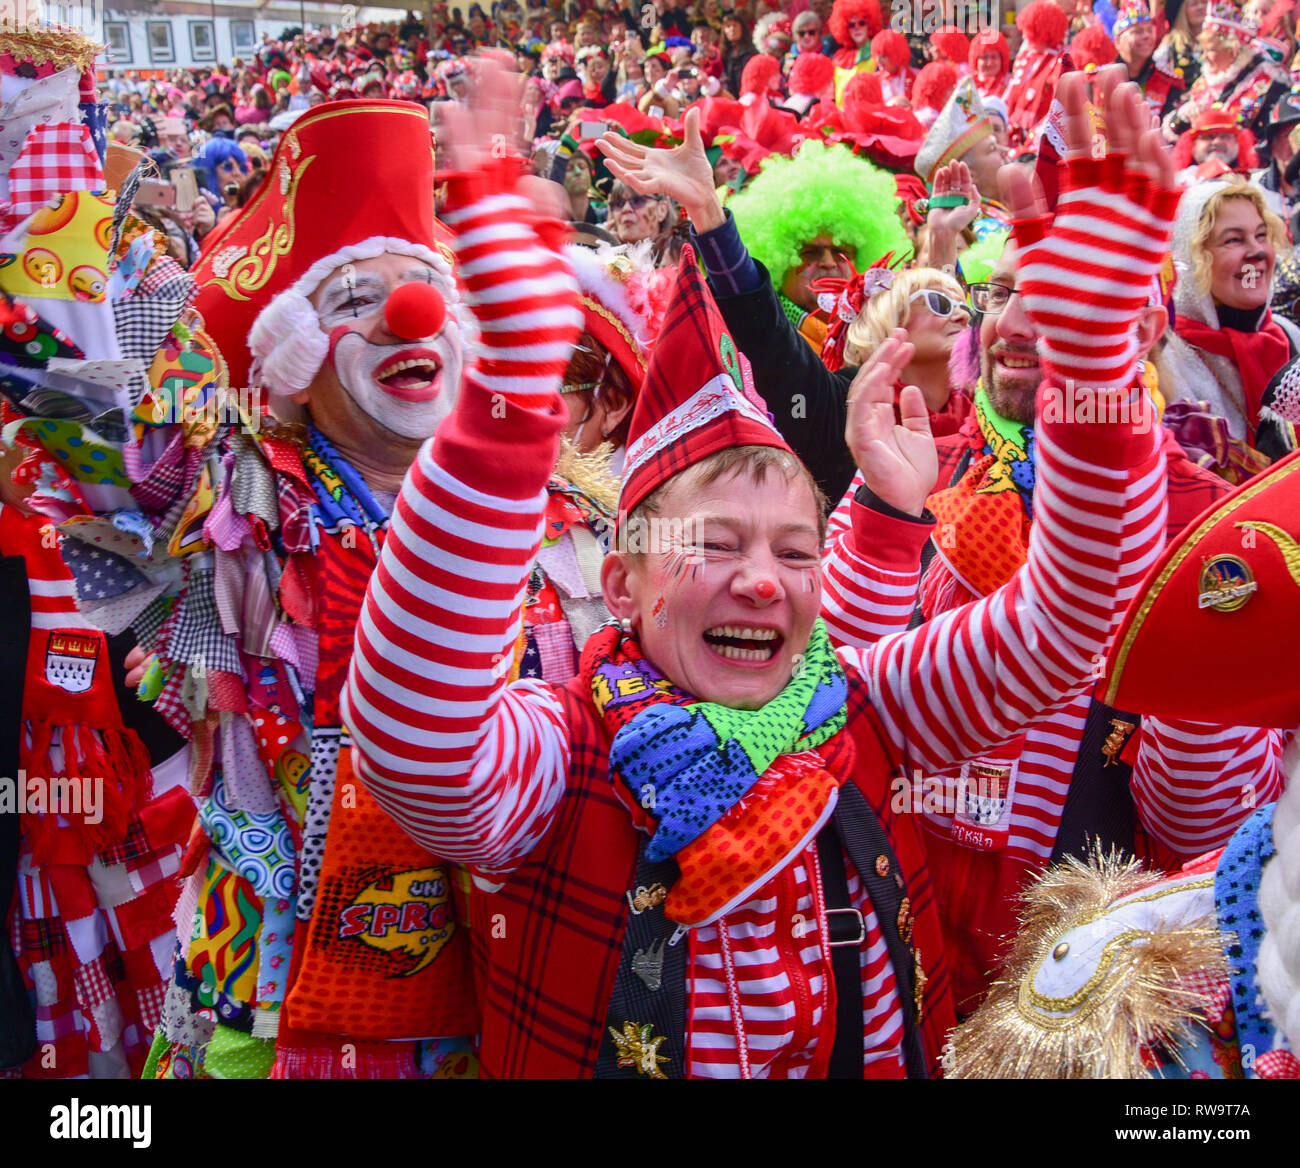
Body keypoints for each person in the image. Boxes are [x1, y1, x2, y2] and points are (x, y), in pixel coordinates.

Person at [343, 56, 1180, 1080]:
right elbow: (418, 746)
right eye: (716, 543)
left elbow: (1069, 619)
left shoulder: (870, 704)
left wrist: (1092, 373)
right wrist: (506, 402)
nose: (762, 581)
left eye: (794, 549)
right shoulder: (561, 754)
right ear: (622, 585)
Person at [138, 98, 479, 1080]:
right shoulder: (233, 506)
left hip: (479, 946)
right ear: (294, 354)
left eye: (420, 289)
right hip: (274, 952)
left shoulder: (550, 512)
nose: (403, 314)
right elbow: (127, 427)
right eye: (352, 300)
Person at [948, 456, 1300, 1079]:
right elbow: (859, 717)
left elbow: (1197, 822)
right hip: (939, 971)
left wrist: (1190, 670)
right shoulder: (943, 485)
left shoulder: (1212, 524)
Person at [1161, 176, 1300, 473]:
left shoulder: (1289, 336)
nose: (1257, 252)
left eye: (1261, 235)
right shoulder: (1168, 362)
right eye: (1234, 240)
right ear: (1191, 258)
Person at [724, 139, 911, 359]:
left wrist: (942, 236)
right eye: (810, 253)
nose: (829, 263)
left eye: (842, 253)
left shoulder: (880, 330)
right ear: (779, 262)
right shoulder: (760, 331)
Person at [1164, 0, 1289, 140]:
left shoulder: (1269, 83)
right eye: (1203, 51)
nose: (1204, 57)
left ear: (1233, 51)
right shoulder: (1204, 83)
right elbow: (1180, 137)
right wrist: (1182, 117)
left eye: (1211, 50)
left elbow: (1269, 140)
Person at [914, 77, 1012, 240]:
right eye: (992, 149)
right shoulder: (980, 229)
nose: (1003, 152)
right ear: (969, 176)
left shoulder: (999, 211)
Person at [1114, 1, 1186, 121]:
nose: (1147, 36)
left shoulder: (1169, 83)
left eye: (1149, 30)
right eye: (1137, 31)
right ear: (1117, 42)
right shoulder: (1098, 80)